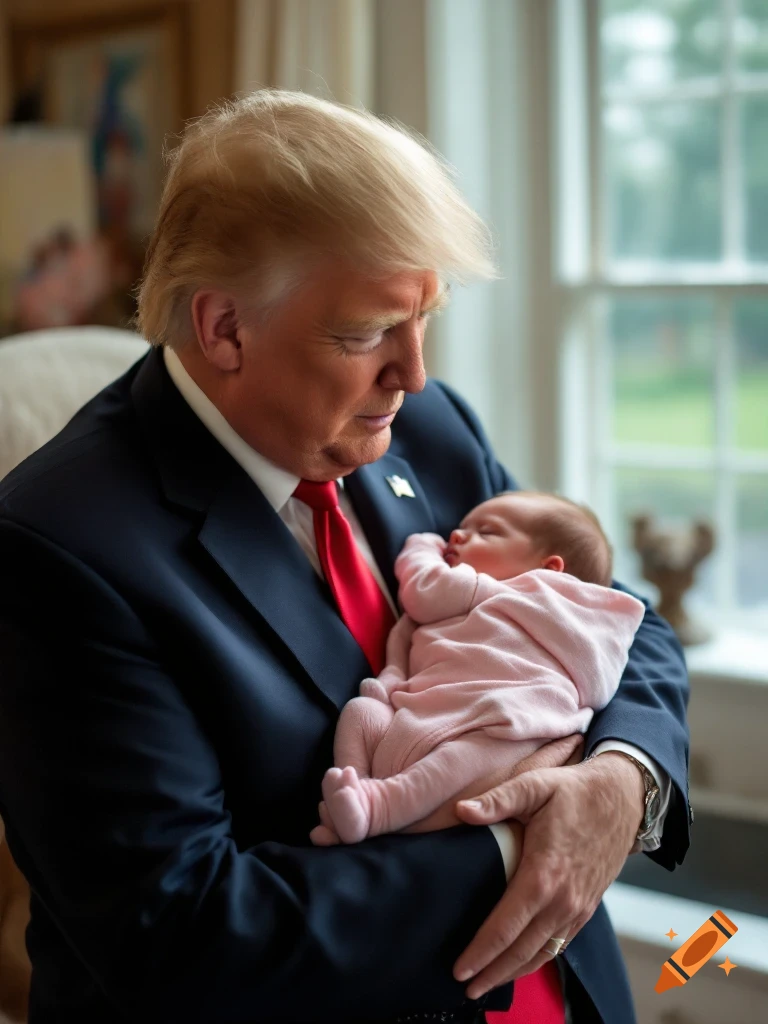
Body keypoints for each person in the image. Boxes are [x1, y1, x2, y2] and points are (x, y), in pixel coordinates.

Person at [0, 90, 691, 1024]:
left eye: (425, 317)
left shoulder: (429, 427)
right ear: (225, 328)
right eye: (366, 333)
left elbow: (619, 617)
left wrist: (621, 782)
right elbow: (186, 932)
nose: (412, 372)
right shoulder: (56, 545)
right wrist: (520, 844)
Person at [311, 492, 647, 847]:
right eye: (462, 527)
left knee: (463, 757)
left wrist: (422, 546)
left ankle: (378, 806)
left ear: (548, 571)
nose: (456, 535)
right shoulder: (579, 626)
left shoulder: (504, 591)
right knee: (363, 712)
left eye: (486, 532)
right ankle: (353, 794)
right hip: (423, 713)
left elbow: (423, 590)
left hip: (501, 723)